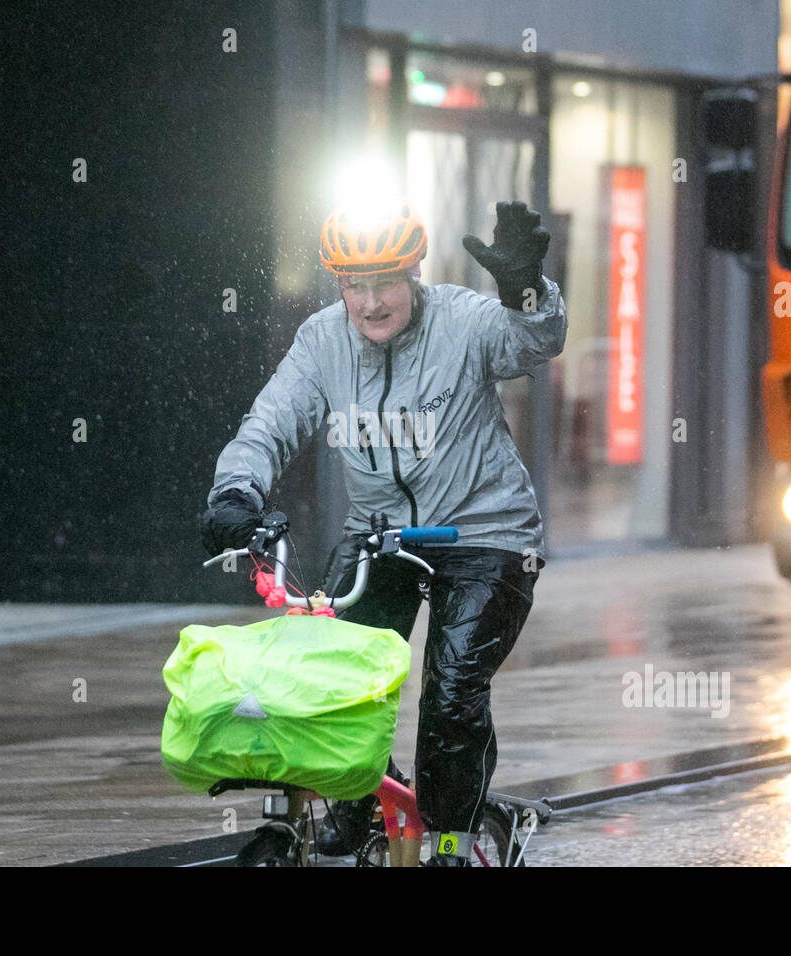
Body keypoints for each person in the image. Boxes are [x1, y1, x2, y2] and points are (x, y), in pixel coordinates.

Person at [199, 197, 566, 865]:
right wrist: (234, 493)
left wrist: (524, 290)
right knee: (331, 677)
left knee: (452, 689)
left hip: (487, 534)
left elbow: (533, 341)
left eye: (385, 282)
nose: (370, 303)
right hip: (383, 535)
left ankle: (451, 841)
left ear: (414, 273)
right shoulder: (321, 341)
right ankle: (360, 804)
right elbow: (269, 425)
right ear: (338, 283)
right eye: (354, 284)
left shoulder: (463, 320)